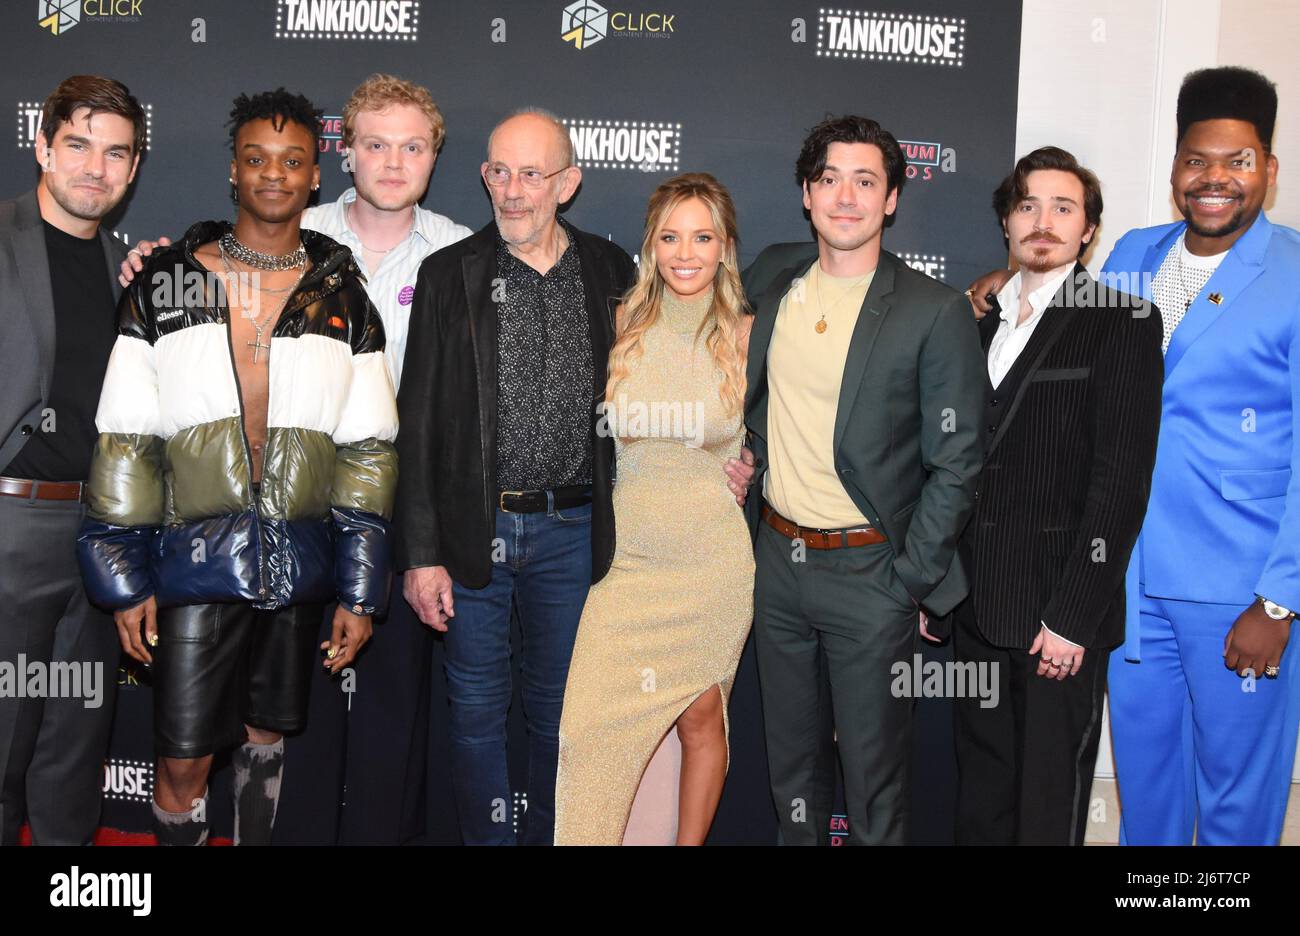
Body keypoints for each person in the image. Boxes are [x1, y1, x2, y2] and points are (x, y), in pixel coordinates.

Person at [117, 74, 471, 844]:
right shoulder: (182, 270)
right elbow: (128, 438)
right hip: (193, 554)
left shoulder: (359, 278)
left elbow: (368, 449)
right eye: (256, 158)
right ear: (235, 168)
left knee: (270, 737)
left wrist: (359, 579)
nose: (272, 173)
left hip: (311, 542)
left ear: (314, 167)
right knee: (181, 752)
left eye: (412, 146)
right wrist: (123, 572)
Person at [395, 109, 754, 845]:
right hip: (473, 530)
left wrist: (738, 459)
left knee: (567, 719)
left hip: (577, 532)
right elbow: (421, 422)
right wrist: (421, 552)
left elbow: (693, 385)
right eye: (500, 171)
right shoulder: (447, 274)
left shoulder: (610, 272)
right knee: (473, 713)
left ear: (569, 181)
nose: (514, 190)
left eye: (533, 173)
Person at [967, 68, 1300, 845]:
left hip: (1238, 586)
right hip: (1132, 583)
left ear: (1270, 172)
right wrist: (1007, 279)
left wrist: (1281, 599)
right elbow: (1062, 309)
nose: (1214, 178)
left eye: (1238, 161)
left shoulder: (1294, 271)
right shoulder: (1136, 252)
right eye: (1196, 160)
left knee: (1236, 796)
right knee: (1147, 789)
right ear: (1177, 168)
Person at [742, 115, 986, 845]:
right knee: (791, 775)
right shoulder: (772, 274)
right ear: (807, 195)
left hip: (871, 574)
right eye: (829, 179)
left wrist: (910, 579)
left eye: (865, 181)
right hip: (777, 565)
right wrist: (745, 454)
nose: (845, 197)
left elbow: (959, 458)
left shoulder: (932, 309)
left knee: (875, 788)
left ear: (891, 200)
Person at [950, 147, 1162, 845]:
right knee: (981, 800)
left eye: (1063, 208)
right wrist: (939, 585)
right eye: (1028, 205)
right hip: (975, 610)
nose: (1044, 221)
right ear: (1007, 223)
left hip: (1057, 620)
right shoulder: (973, 324)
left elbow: (1121, 482)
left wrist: (1074, 616)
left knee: (1046, 813)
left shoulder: (1121, 321)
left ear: (1089, 231)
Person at [553, 173, 754, 845]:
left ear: (725, 246)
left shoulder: (749, 334)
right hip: (628, 564)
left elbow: (798, 435)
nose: (685, 252)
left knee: (702, 718)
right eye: (670, 236)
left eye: (702, 236)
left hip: (710, 565)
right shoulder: (622, 326)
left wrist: (753, 464)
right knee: (584, 730)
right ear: (651, 246)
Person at [0, 75, 143, 845]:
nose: (97, 167)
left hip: (95, 532)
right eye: (80, 145)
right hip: (9, 526)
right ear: (43, 146)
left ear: (133, 168)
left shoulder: (126, 267)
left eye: (116, 152)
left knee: (72, 746)